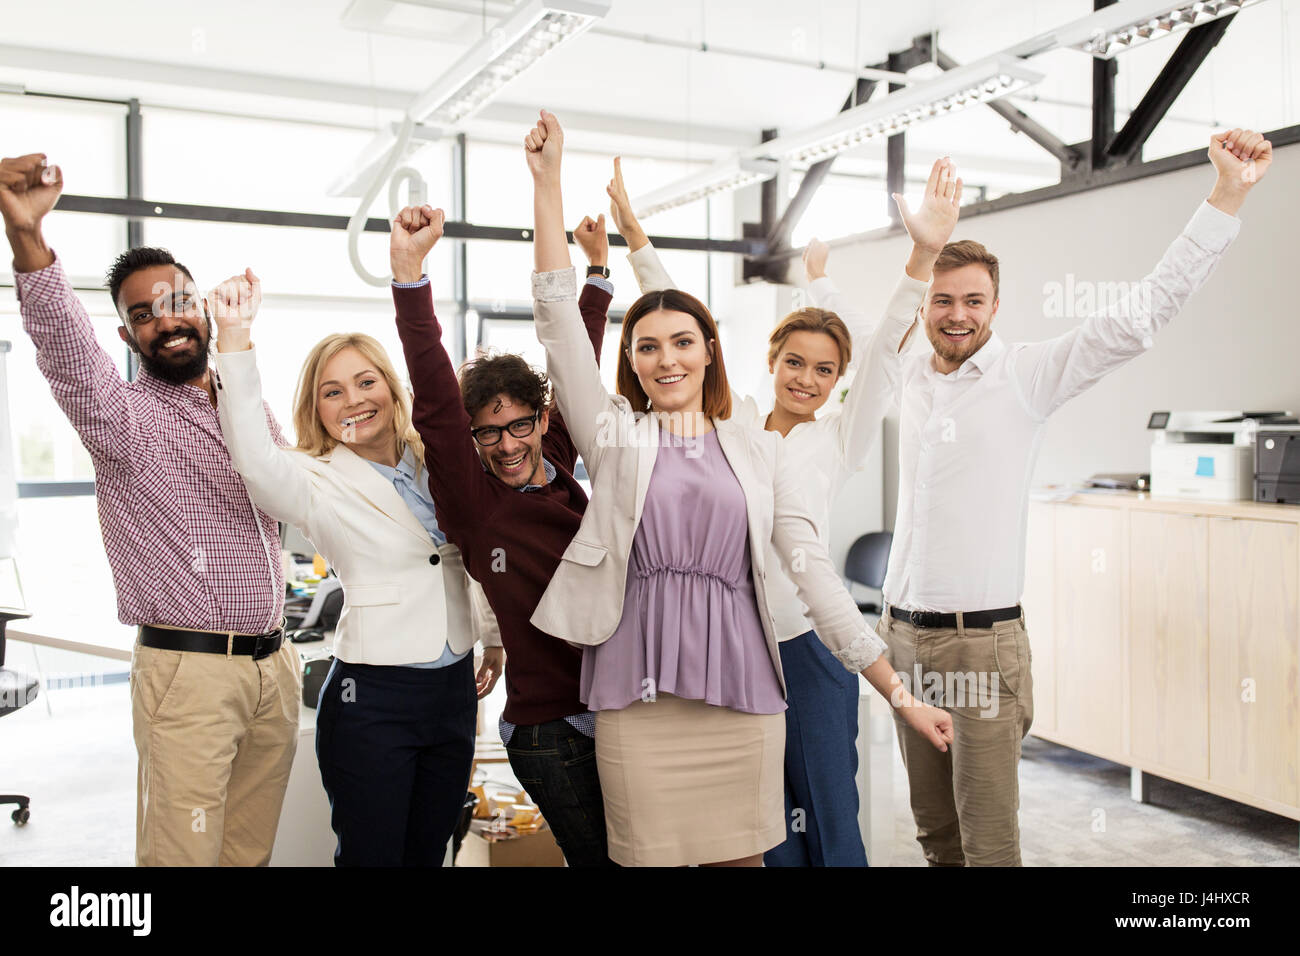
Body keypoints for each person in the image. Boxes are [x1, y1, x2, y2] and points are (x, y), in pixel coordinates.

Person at [523, 110, 953, 867]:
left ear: (709, 351)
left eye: (683, 342)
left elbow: (813, 571)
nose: (666, 358)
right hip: (638, 694)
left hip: (745, 690)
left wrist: (895, 689)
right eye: (647, 347)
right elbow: (560, 324)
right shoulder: (616, 437)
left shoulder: (757, 446)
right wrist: (548, 186)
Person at [879, 128, 1272, 867]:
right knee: (936, 837)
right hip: (904, 640)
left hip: (981, 646)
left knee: (988, 846)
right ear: (925, 305)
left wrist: (1226, 194)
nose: (956, 313)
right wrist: (920, 249)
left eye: (973, 300)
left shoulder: (1028, 376)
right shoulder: (909, 374)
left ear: (996, 305)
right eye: (942, 300)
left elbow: (1140, 316)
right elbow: (879, 333)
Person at [0, 153, 299, 866]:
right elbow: (65, 347)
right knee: (181, 860)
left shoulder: (246, 404)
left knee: (246, 856)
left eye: (175, 301)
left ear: (199, 307)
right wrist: (28, 239)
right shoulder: (121, 418)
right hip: (190, 678)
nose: (164, 321)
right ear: (127, 336)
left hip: (274, 667)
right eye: (141, 314)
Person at [209, 273, 505, 866]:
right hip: (372, 695)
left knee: (430, 851)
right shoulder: (312, 478)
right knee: (372, 857)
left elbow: (473, 557)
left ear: (392, 390)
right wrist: (235, 339)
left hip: (453, 688)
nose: (354, 400)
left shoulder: (436, 457)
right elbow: (252, 456)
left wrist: (492, 640)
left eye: (366, 382)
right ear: (315, 409)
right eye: (333, 391)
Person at [391, 201, 620, 866]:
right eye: (487, 431)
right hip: (551, 728)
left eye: (519, 424)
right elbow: (434, 388)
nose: (507, 444)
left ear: (540, 418)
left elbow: (582, 357)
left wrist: (598, 270)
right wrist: (411, 274)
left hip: (611, 707)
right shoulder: (472, 499)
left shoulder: (557, 459)